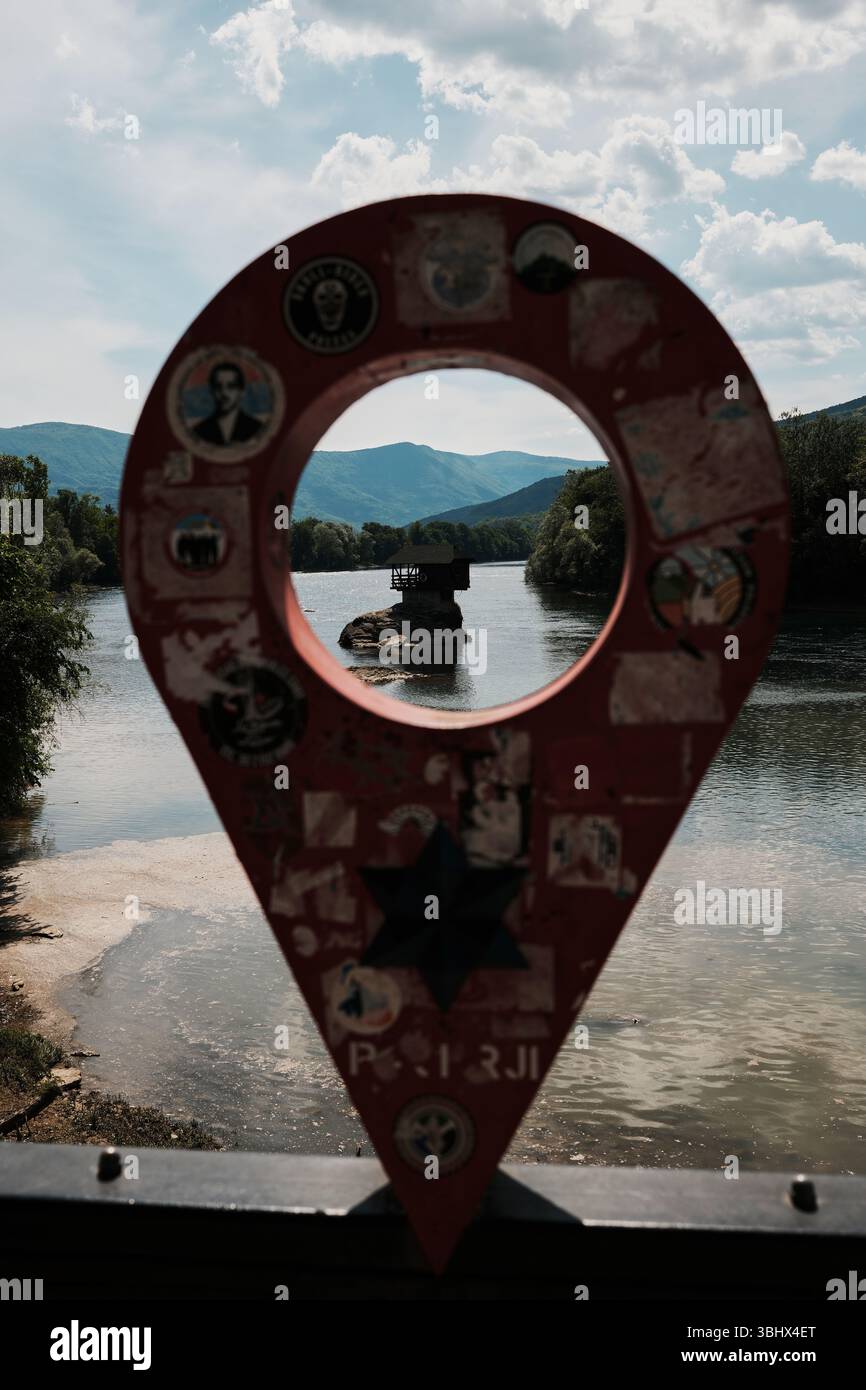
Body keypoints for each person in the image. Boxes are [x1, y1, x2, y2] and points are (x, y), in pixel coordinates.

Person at [193, 362, 263, 446]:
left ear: (242, 391)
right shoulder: (198, 431)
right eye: (218, 386)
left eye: (231, 386)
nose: (224, 393)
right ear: (211, 391)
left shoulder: (257, 428)